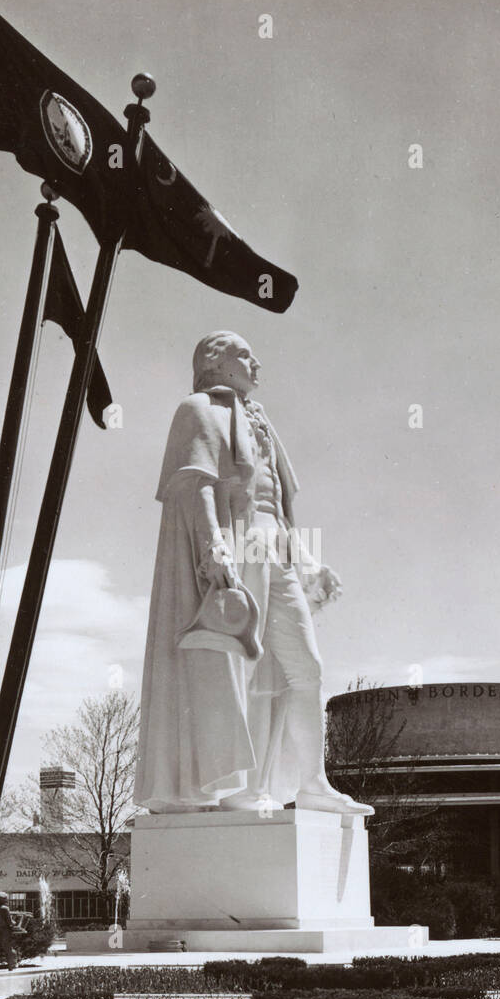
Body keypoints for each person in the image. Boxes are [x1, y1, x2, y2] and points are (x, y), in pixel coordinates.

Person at [134, 330, 373, 816]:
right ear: (215, 361)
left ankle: (312, 783)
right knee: (239, 667)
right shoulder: (197, 409)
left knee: (303, 667)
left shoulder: (259, 419)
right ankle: (238, 788)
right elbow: (198, 482)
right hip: (238, 543)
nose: (257, 363)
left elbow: (277, 504)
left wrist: (307, 563)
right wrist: (213, 545)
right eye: (245, 355)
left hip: (274, 548)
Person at [0, 892, 18, 971]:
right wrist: (14, 923)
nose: (6, 900)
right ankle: (11, 965)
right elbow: (9, 921)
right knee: (8, 948)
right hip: (4, 932)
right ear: (2, 899)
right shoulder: (5, 908)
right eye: (5, 899)